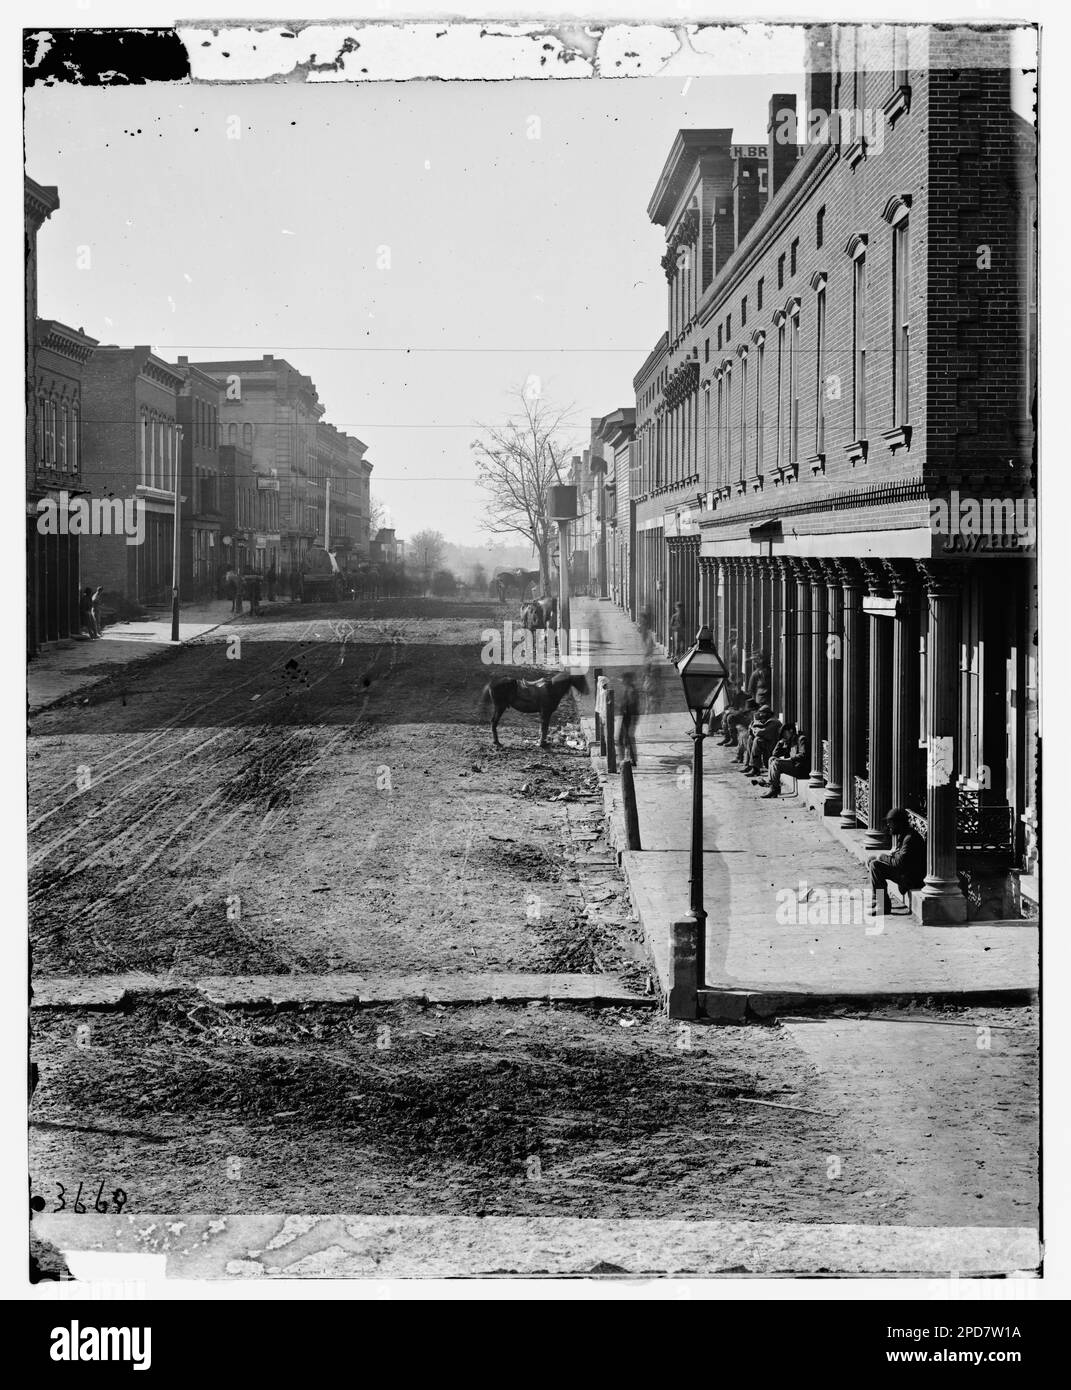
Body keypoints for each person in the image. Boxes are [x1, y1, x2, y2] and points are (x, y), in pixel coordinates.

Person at [868, 807, 927, 914]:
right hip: (906, 873)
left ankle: (883, 906)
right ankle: (876, 899)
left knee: (875, 865)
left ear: (898, 823)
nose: (888, 826)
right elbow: (900, 859)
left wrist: (882, 857)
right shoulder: (905, 835)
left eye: (890, 823)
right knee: (871, 860)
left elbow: (899, 863)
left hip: (912, 879)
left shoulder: (910, 838)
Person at [759, 724, 809, 797]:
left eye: (784, 733)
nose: (783, 735)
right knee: (771, 759)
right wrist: (780, 743)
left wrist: (790, 759)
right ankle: (773, 787)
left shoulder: (801, 739)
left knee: (776, 763)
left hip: (801, 768)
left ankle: (774, 789)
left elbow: (803, 755)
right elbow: (775, 754)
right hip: (794, 766)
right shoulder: (789, 741)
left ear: (791, 731)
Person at [739, 704, 782, 771]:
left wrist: (754, 728)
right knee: (750, 738)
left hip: (774, 746)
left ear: (768, 714)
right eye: (760, 713)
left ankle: (755, 768)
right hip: (768, 742)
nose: (761, 715)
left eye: (762, 713)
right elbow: (751, 729)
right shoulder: (765, 721)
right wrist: (754, 726)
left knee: (757, 740)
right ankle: (749, 764)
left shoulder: (774, 722)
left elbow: (760, 732)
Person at [617, 671, 640, 765]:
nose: (622, 681)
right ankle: (628, 759)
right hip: (627, 716)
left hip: (629, 716)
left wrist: (620, 706)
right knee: (625, 738)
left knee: (625, 738)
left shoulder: (631, 690)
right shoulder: (629, 689)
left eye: (624, 679)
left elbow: (630, 704)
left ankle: (626, 760)